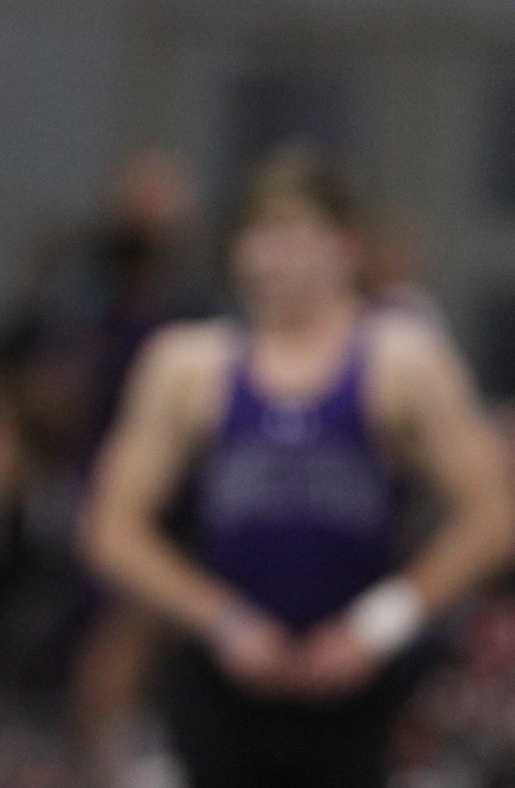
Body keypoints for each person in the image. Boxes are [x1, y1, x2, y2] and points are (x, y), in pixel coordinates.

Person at [83, 143, 515, 787]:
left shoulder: (401, 362)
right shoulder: (188, 367)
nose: (269, 260)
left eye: (290, 237)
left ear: (344, 245)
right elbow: (111, 529)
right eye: (256, 238)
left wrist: (376, 627)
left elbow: (493, 517)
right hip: (223, 678)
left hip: (356, 685)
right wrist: (223, 621)